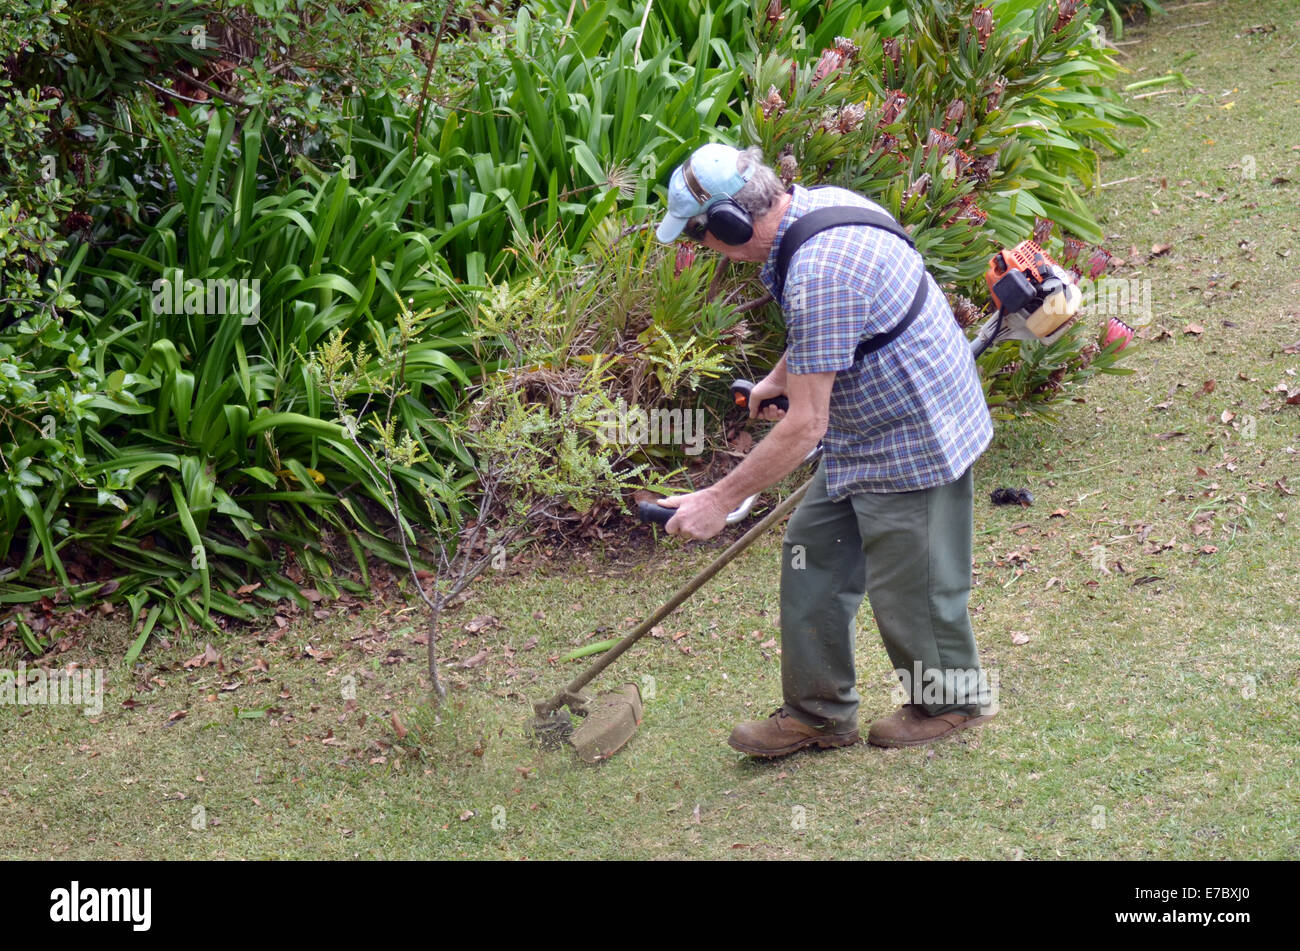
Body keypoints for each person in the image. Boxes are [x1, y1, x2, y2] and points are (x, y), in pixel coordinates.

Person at [653, 142, 997, 757]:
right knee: (811, 556)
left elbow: (806, 426)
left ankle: (952, 702)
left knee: (913, 584)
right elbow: (830, 331)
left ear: (730, 224)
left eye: (700, 235)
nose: (702, 249)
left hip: (915, 433)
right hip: (862, 430)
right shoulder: (818, 211)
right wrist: (778, 379)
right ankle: (818, 714)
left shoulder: (818, 272)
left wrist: (719, 499)